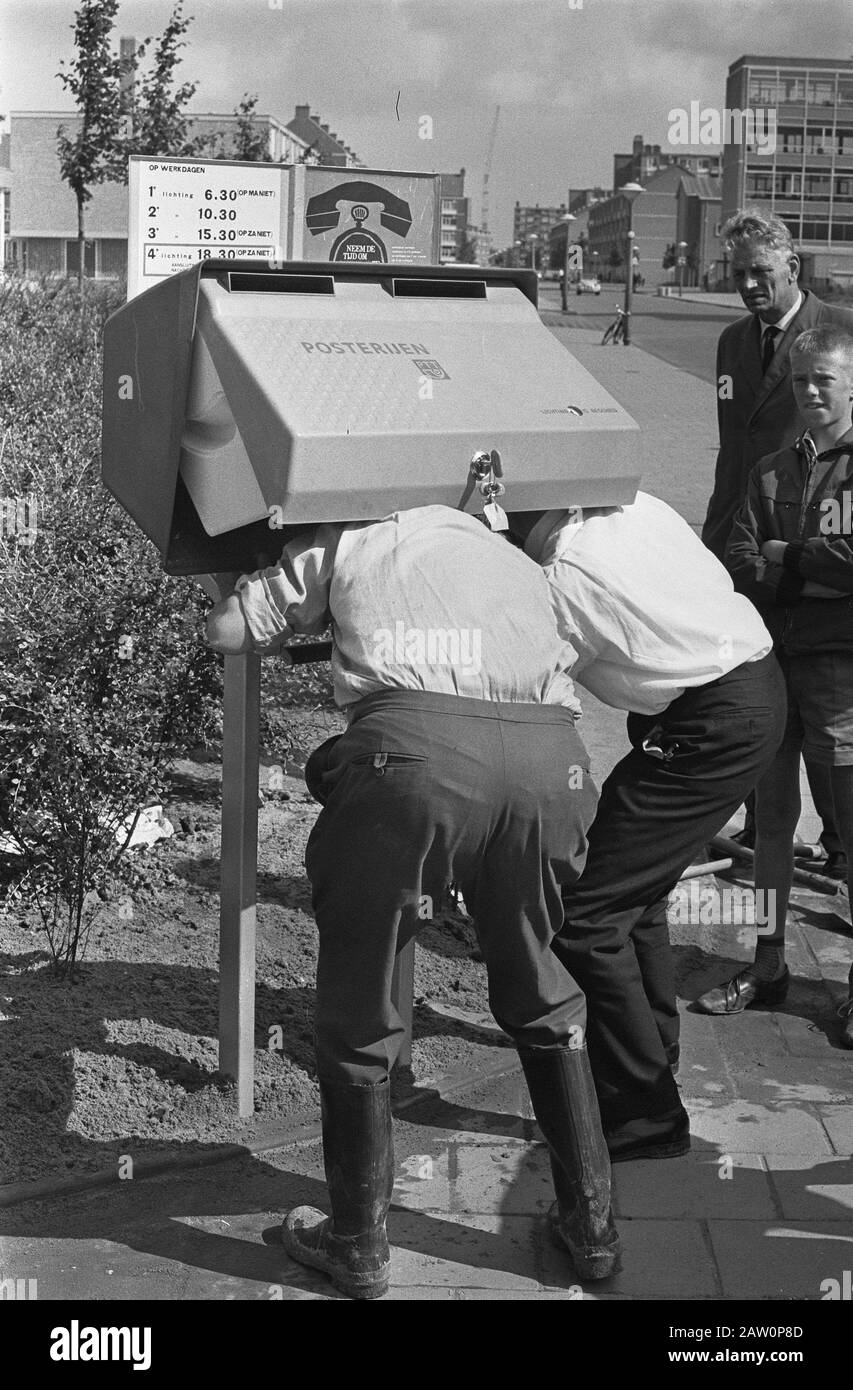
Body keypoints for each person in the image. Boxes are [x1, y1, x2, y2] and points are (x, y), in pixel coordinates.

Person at [206, 503, 621, 1299]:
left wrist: (257, 584)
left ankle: (358, 1243)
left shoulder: (350, 534)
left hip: (410, 763)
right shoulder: (507, 556)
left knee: (361, 996)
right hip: (551, 765)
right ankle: (592, 1228)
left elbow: (228, 632)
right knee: (541, 984)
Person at [511, 494, 786, 1160]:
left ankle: (644, 1116)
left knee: (583, 915)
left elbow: (533, 685)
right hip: (738, 695)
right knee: (628, 899)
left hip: (709, 723)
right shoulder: (631, 504)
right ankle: (651, 1058)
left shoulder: (562, 579)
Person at [697, 326, 853, 1050]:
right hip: (773, 667)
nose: (809, 392)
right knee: (768, 834)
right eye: (799, 382)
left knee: (847, 835)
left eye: (822, 379)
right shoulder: (766, 471)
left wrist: (786, 557)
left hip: (839, 675)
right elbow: (734, 556)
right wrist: (810, 572)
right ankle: (767, 963)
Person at [702, 208, 853, 874]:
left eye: (759, 272)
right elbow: (732, 447)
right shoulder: (733, 341)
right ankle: (766, 834)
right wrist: (715, 538)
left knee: (831, 733)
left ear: (791, 266)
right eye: (737, 274)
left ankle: (839, 847)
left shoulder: (840, 334)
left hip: (820, 545)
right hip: (742, 531)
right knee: (759, 700)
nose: (747, 286)